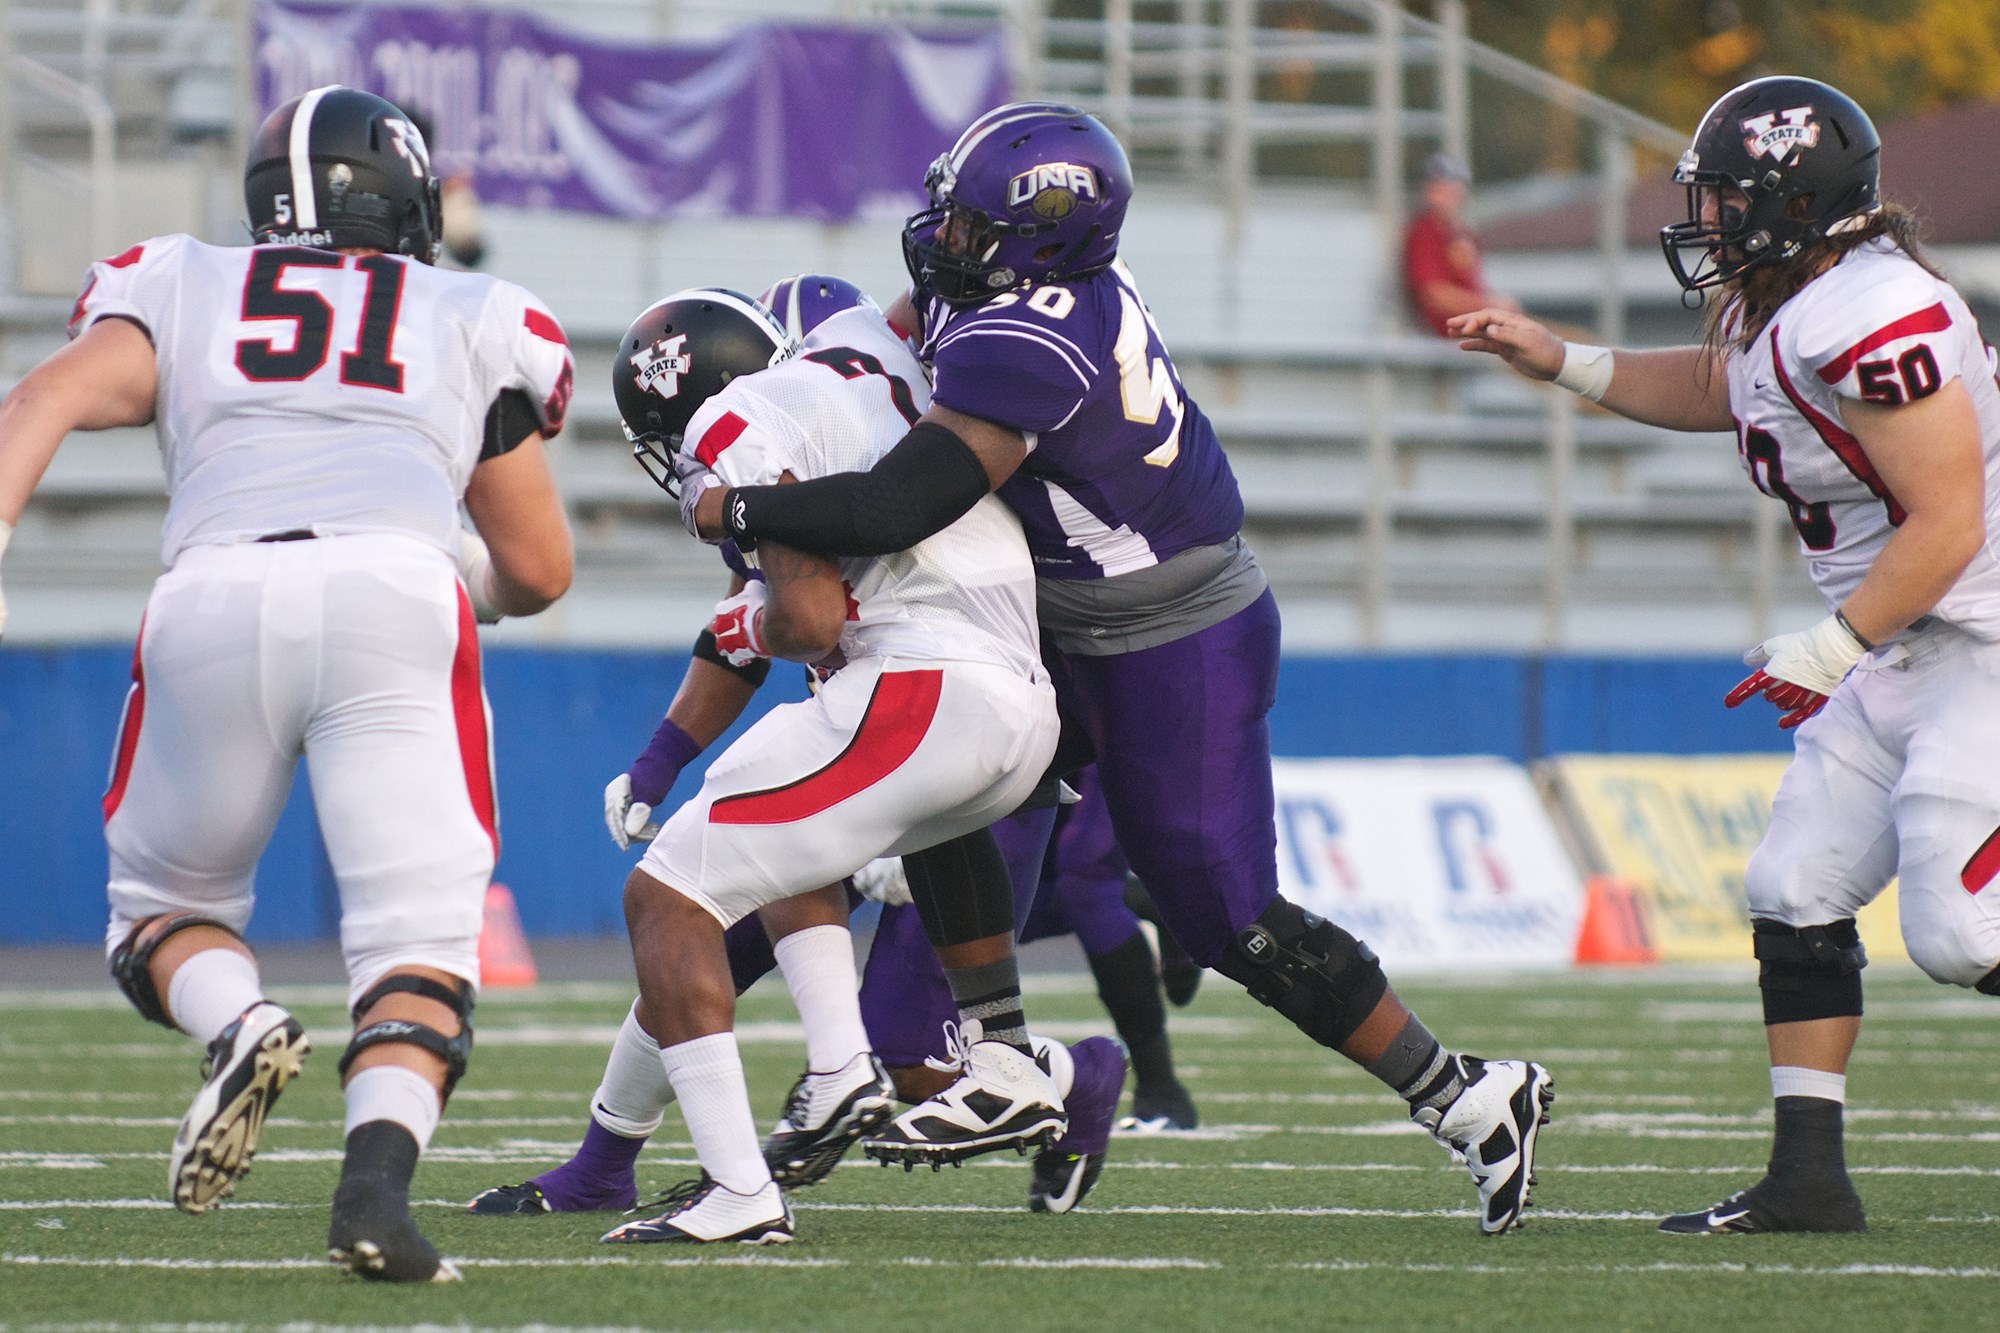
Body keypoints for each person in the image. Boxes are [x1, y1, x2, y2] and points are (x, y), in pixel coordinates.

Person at [687, 102, 1555, 1235]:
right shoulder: (1004, 282)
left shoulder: (1027, 334)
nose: (945, 240)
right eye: (952, 215)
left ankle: (1465, 1094)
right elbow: (888, 356)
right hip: (1069, 614)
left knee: (1229, 920)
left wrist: (740, 504)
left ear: (1040, 242)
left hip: (1171, 635)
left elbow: (900, 504)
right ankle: (1002, 1053)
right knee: (949, 766)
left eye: (973, 226)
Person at [0, 85, 575, 1281]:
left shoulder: (182, 280)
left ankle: (240, 1021)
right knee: (419, 942)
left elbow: (40, 397)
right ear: (408, 201)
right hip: (396, 597)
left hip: (213, 591)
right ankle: (374, 1199)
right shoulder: (470, 311)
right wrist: (442, 564)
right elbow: (536, 569)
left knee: (157, 910)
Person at [1452, 75, 2000, 1235]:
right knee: (1791, 885)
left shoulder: (1870, 309)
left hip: (1978, 633)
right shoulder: (1795, 301)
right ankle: (1807, 1181)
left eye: (1726, 197)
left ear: (1795, 202)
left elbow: (1948, 521)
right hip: (1909, 641)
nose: (1704, 219)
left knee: (1960, 936)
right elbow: (1732, 389)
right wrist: (1562, 360)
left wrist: (1831, 643)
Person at [464, 276, 1124, 1225]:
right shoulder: (868, 361)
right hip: (1009, 709)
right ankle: (632, 1151)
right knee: (742, 869)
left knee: (673, 902)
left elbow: (805, 621)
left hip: (926, 698)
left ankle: (773, 1153)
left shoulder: (736, 424)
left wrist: (759, 606)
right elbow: (762, 615)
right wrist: (663, 757)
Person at [1402, 153, 1519, 338]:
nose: (1440, 191)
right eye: (1434, 183)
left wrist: (1496, 309)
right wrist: (1490, 306)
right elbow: (1433, 294)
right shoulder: (1425, 231)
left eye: (1447, 183)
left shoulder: (1460, 232)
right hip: (1443, 340)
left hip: (1468, 337)